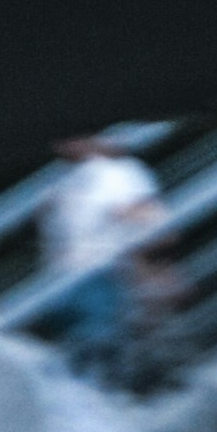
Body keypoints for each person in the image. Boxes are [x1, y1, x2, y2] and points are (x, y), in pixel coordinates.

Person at [33, 126, 174, 386]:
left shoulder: (117, 173)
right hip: (64, 276)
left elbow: (152, 221)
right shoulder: (67, 177)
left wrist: (129, 223)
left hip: (97, 273)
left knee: (94, 346)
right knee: (78, 346)